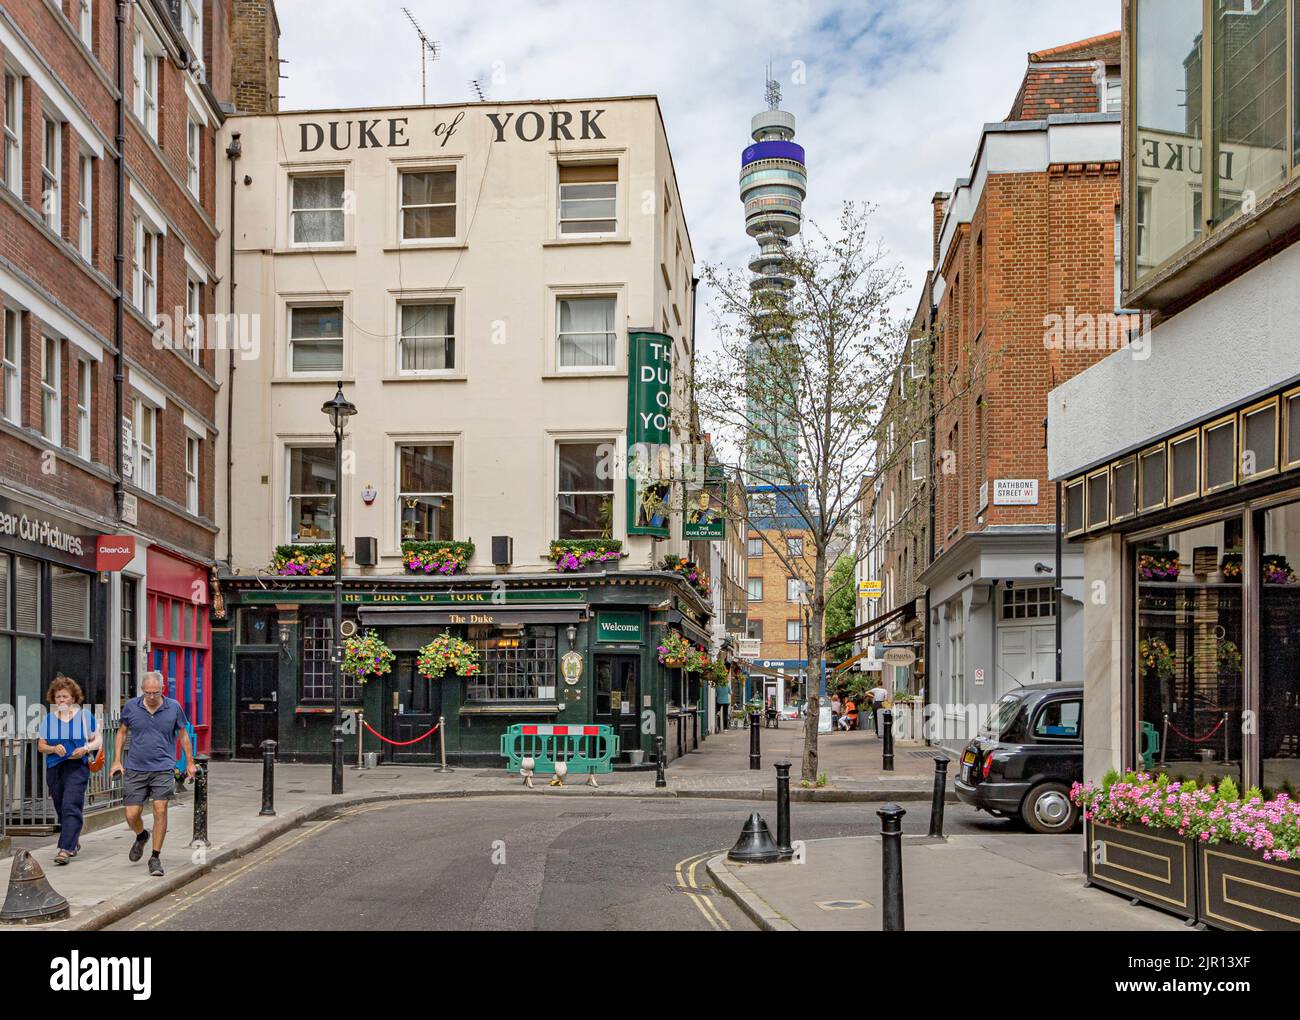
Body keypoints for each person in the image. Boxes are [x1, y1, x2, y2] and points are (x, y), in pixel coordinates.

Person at [110, 671, 195, 877]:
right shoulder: (131, 706)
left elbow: (183, 735)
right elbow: (121, 732)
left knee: (160, 809)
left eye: (155, 692)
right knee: (131, 814)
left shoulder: (173, 707)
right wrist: (116, 760)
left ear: (162, 690)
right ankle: (141, 836)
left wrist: (190, 763)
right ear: (142, 690)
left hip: (163, 767)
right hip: (136, 767)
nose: (151, 696)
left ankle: (155, 857)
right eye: (147, 692)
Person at [36, 675, 102, 865]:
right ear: (53, 699)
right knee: (60, 805)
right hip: (55, 767)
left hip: (77, 766)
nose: (62, 700)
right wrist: (53, 749)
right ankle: (73, 840)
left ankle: (65, 849)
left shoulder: (84, 716)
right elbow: (41, 745)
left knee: (70, 804)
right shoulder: (49, 719)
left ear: (73, 698)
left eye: (65, 696)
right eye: (58, 697)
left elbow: (97, 739)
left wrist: (85, 749)